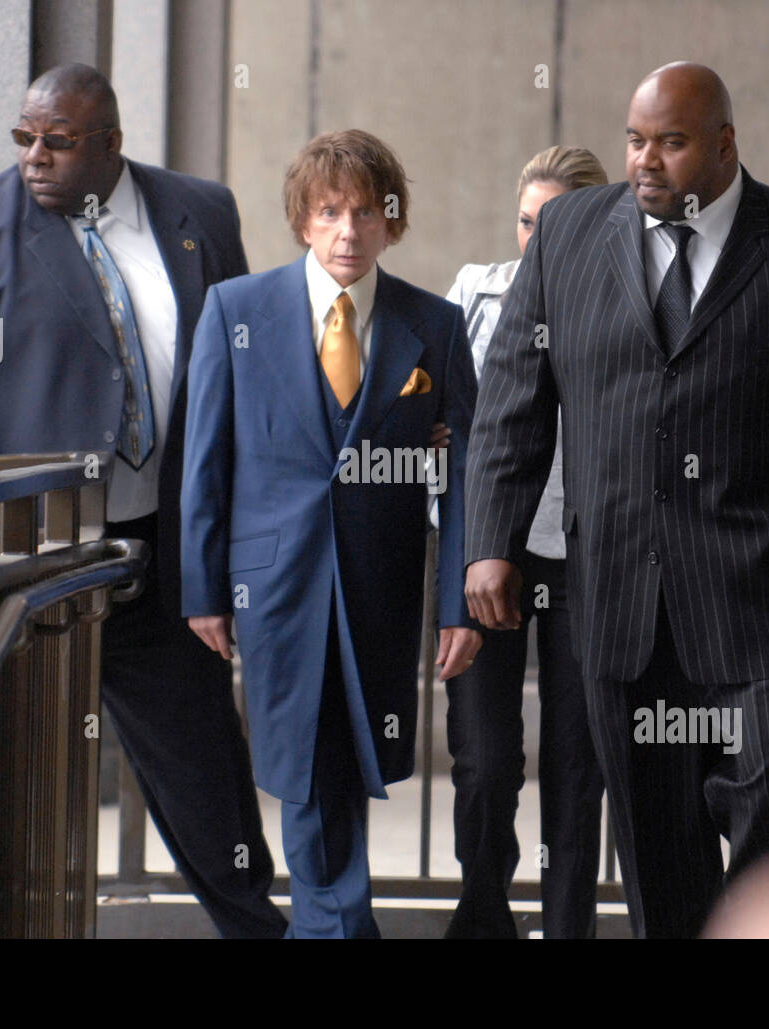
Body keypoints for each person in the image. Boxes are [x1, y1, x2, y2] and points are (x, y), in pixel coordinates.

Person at [463, 62, 769, 938]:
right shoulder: (565, 237)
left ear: (723, 144)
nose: (646, 161)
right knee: (656, 840)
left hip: (759, 596)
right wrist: (493, 539)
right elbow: (512, 404)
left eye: (670, 143)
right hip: (620, 602)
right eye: (635, 140)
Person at [0, 63, 285, 938]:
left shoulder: (202, 211)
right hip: (31, 561)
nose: (34, 157)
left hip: (164, 550)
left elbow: (241, 364)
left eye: (57, 140)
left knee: (200, 764)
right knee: (12, 775)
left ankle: (256, 927)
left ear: (111, 143)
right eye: (24, 137)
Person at [181, 129, 482, 938]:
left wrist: (458, 600)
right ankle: (336, 926)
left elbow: (464, 483)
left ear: (392, 222)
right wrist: (202, 588)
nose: (349, 230)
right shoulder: (235, 312)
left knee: (351, 759)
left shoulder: (437, 327)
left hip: (382, 585)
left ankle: (335, 924)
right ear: (304, 221)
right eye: (330, 211)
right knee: (307, 768)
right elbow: (205, 461)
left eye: (366, 212)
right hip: (274, 584)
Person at [443, 146, 609, 939]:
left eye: (554, 225)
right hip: (487, 551)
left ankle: (568, 926)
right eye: (524, 222)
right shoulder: (476, 291)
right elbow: (435, 398)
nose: (534, 240)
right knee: (483, 759)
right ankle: (483, 918)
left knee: (579, 766)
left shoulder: (625, 295)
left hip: (587, 558)